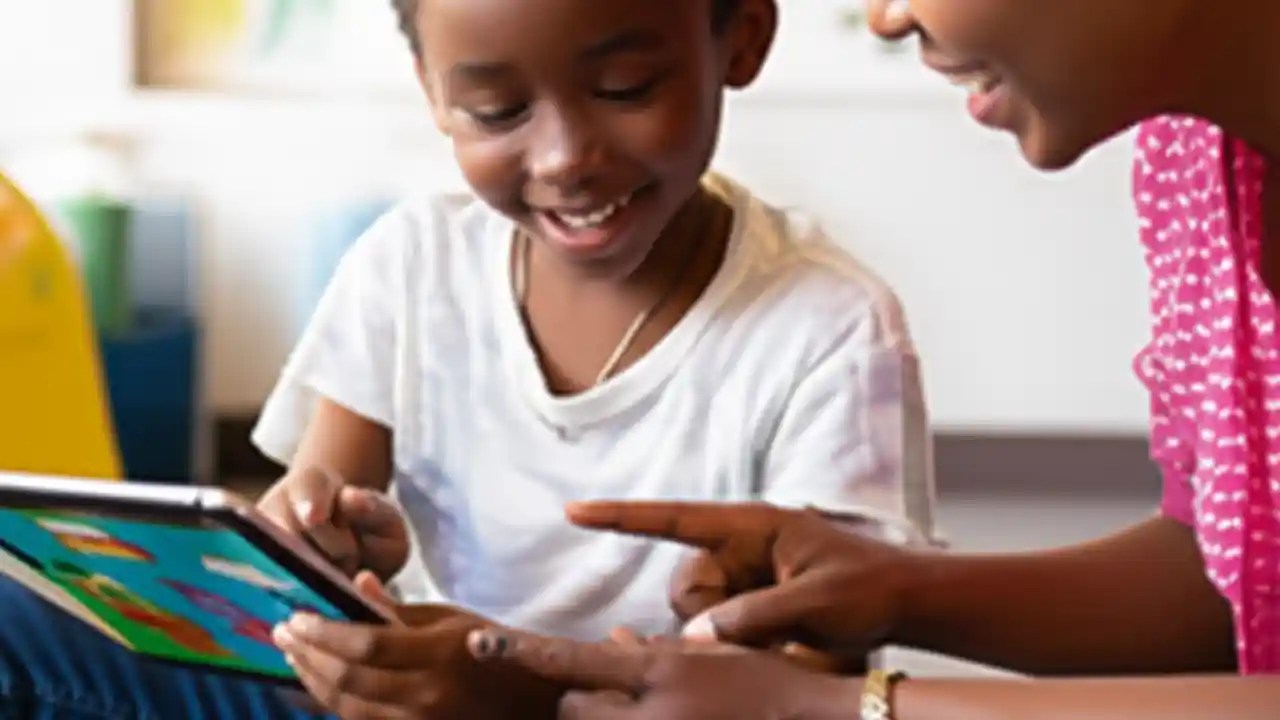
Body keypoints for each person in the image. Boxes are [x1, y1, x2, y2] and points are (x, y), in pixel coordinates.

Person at [0, 0, 937, 717]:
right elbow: (318, 503)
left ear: (741, 38)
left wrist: (520, 684)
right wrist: (323, 539)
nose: (566, 157)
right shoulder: (412, 264)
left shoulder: (831, 333)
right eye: (496, 111)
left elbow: (816, 687)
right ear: (430, 89)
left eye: (624, 91)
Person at [461, 0, 1280, 717]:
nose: (887, 18)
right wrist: (891, 591)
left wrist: (833, 710)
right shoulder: (1199, 158)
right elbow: (1235, 583)